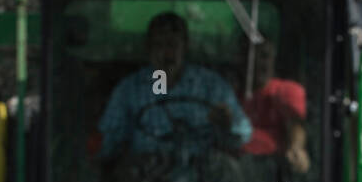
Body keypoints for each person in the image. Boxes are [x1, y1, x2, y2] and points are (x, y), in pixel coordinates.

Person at [97, 12, 251, 160]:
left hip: (203, 172)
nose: (166, 53)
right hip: (146, 173)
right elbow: (110, 139)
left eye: (172, 45)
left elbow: (244, 133)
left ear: (185, 47)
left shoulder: (212, 86)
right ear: (148, 48)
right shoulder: (129, 89)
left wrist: (228, 124)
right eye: (159, 45)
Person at [241, 40, 310, 174]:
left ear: (273, 60)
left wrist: (296, 148)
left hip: (271, 173)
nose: (259, 63)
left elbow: (295, 123)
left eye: (265, 56)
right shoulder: (232, 93)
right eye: (253, 56)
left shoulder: (285, 91)